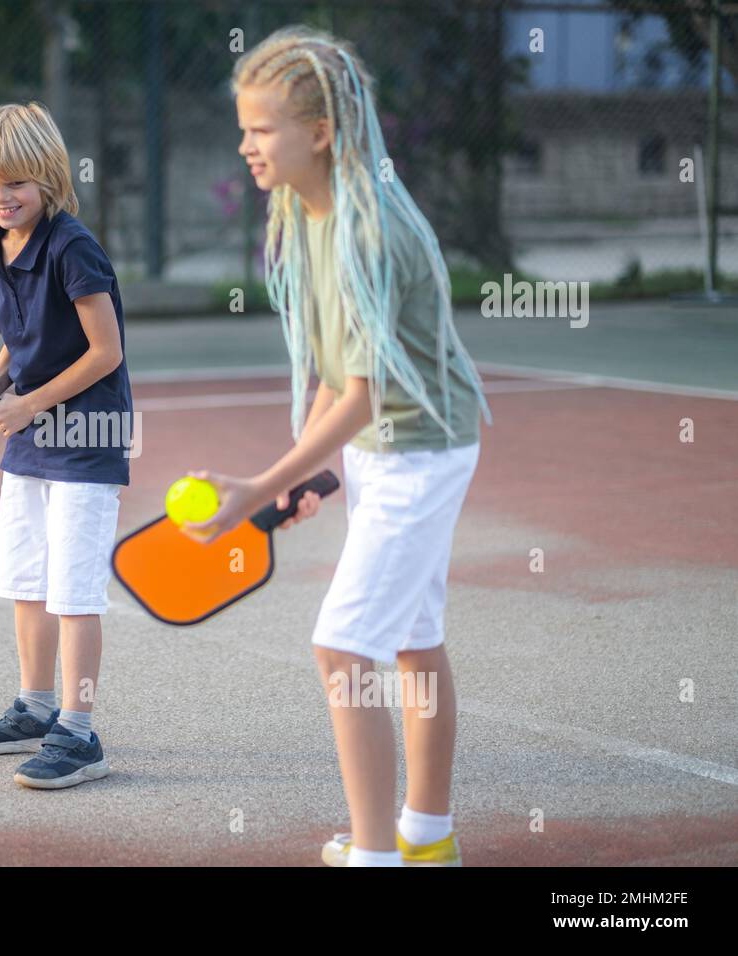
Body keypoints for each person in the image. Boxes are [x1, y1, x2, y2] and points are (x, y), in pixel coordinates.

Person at [184, 26, 492, 865]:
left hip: (418, 447)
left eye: (262, 129)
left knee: (342, 644)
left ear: (319, 133)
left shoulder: (366, 229)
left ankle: (374, 854)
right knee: (412, 639)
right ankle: (426, 839)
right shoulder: (308, 213)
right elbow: (330, 376)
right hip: (394, 445)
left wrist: (254, 488)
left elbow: (365, 395)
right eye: (243, 129)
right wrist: (307, 473)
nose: (246, 146)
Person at [0, 102, 133, 790]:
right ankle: (34, 708)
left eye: (16, 184)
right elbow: (23, 333)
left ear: (50, 179)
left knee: (73, 592)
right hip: (31, 440)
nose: (2, 198)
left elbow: (105, 351)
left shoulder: (72, 246)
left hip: (87, 438)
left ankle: (79, 733)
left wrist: (26, 401)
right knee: (27, 581)